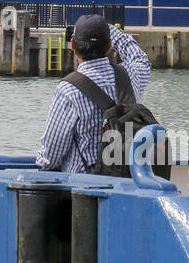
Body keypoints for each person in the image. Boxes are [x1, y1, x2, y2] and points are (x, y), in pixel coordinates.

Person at [36, 14, 151, 172]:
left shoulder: (68, 90)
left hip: (86, 189)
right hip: (128, 182)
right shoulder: (131, 75)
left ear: (73, 45)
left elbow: (51, 155)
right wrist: (108, 29)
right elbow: (140, 58)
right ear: (110, 45)